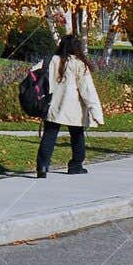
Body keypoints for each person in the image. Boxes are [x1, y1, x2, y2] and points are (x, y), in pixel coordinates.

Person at [37, 32, 105, 178]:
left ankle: (42, 166)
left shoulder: (51, 60)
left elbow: (34, 73)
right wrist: (97, 113)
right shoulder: (79, 64)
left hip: (52, 104)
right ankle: (76, 165)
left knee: (49, 134)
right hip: (74, 107)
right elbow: (87, 90)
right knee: (77, 135)